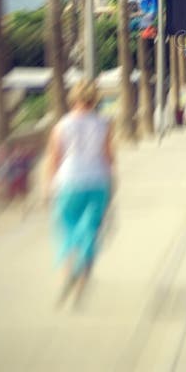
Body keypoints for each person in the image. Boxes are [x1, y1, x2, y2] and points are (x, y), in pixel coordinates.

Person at [44, 79, 115, 304]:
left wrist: (48, 188)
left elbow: (54, 159)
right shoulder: (104, 124)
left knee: (68, 231)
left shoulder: (62, 126)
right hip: (97, 182)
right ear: (94, 100)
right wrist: (112, 184)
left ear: (73, 98)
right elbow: (108, 157)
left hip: (68, 182)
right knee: (89, 233)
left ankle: (68, 274)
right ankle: (80, 288)